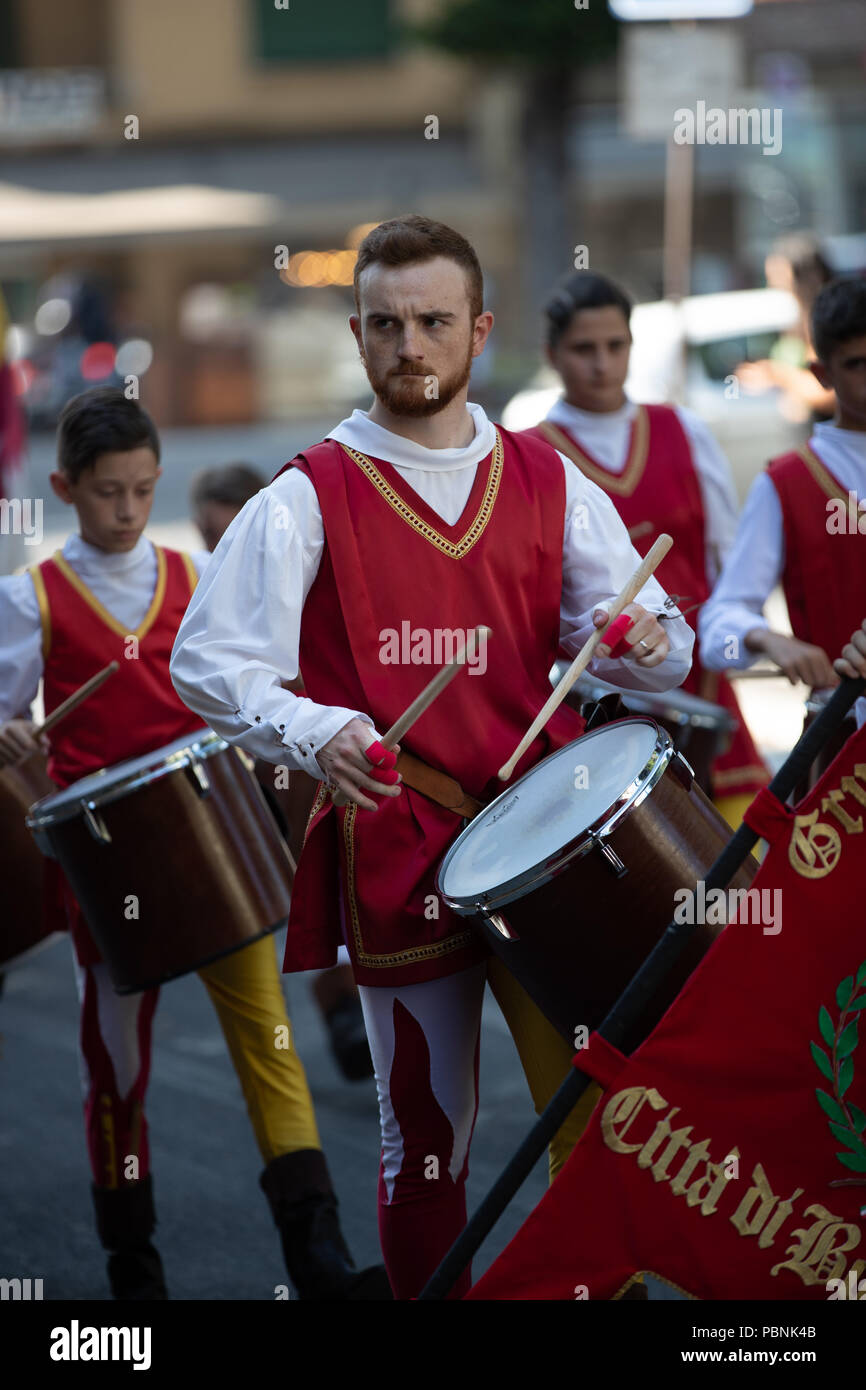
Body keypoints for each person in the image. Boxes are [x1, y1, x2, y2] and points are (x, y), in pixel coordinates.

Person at [170, 214, 696, 1299]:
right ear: (357, 334)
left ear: (478, 330)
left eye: (432, 321)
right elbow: (206, 660)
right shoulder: (307, 493)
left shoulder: (546, 481)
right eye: (384, 323)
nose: (409, 344)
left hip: (551, 845)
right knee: (424, 1143)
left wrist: (647, 642)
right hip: (399, 841)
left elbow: (656, 649)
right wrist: (317, 730)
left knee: (591, 1116)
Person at [0, 387, 388, 1301]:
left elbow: (246, 696)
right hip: (108, 867)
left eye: (141, 489)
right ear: (63, 486)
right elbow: (6, 715)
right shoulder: (32, 598)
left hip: (214, 845)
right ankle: (134, 1268)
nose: (128, 511)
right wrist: (7, 731)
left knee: (271, 1044)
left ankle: (317, 1260)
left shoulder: (193, 576)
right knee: (119, 1068)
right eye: (106, 493)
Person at [523, 269, 768, 827]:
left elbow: (728, 560)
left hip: (701, 686)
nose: (602, 363)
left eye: (616, 345)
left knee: (741, 865)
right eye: (584, 348)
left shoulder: (683, 429)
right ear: (553, 354)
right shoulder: (532, 456)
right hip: (596, 697)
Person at [190, 463, 373, 1082]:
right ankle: (337, 1001)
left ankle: (350, 998)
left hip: (317, 751)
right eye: (208, 539)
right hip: (261, 770)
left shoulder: (306, 562)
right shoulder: (204, 594)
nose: (219, 555)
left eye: (225, 538)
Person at [700, 276, 866, 750]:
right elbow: (718, 626)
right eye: (858, 364)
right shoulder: (788, 483)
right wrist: (769, 639)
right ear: (822, 374)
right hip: (844, 753)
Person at [735, 233, 835, 424]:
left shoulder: (830, 322)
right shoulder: (796, 326)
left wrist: (778, 374)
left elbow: (830, 395)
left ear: (807, 280)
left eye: (781, 282)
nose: (774, 289)